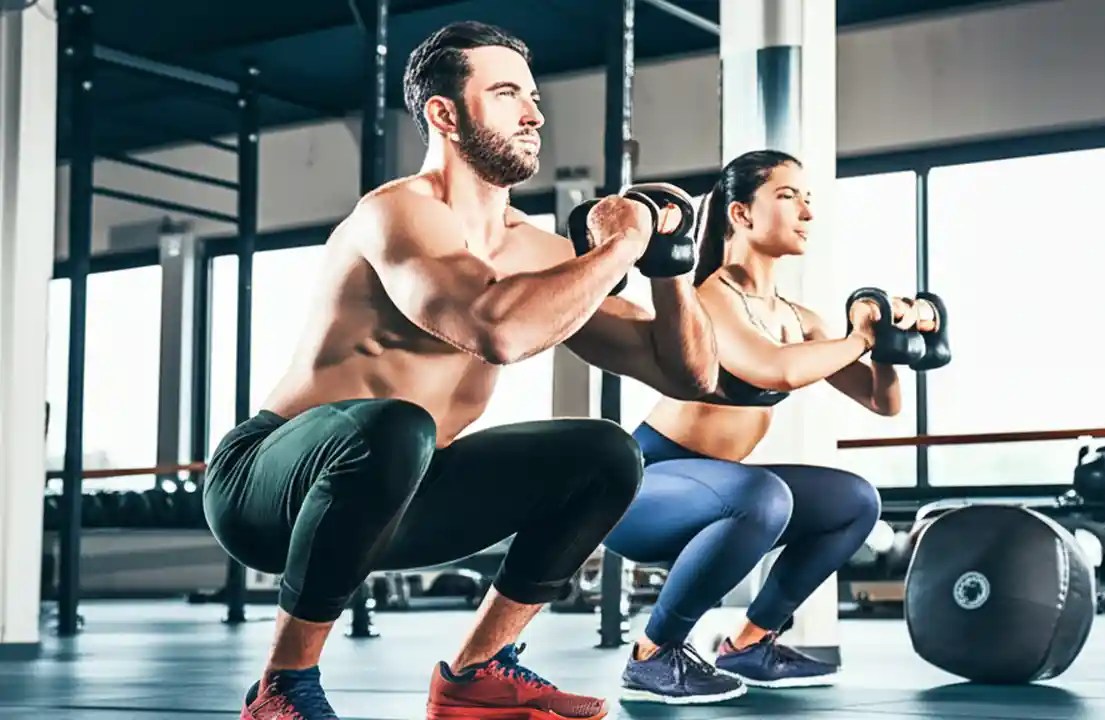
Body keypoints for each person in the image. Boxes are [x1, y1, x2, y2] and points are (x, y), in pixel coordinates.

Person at [203, 21, 719, 720]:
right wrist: (622, 244)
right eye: (506, 94)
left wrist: (668, 269)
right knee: (396, 426)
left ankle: (478, 672)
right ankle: (281, 687)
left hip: (405, 494)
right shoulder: (397, 214)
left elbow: (687, 376)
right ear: (445, 114)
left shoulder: (535, 251)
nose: (534, 114)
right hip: (269, 488)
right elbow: (495, 332)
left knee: (605, 453)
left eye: (533, 97)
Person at [602, 149, 942, 704]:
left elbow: (883, 402)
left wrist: (884, 341)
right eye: (788, 197)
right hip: (640, 492)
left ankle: (751, 644)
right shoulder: (709, 298)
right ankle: (652, 654)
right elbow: (774, 368)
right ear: (741, 214)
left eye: (808, 199)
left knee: (854, 500)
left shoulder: (797, 316)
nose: (807, 212)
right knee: (764, 495)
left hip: (719, 493)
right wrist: (858, 338)